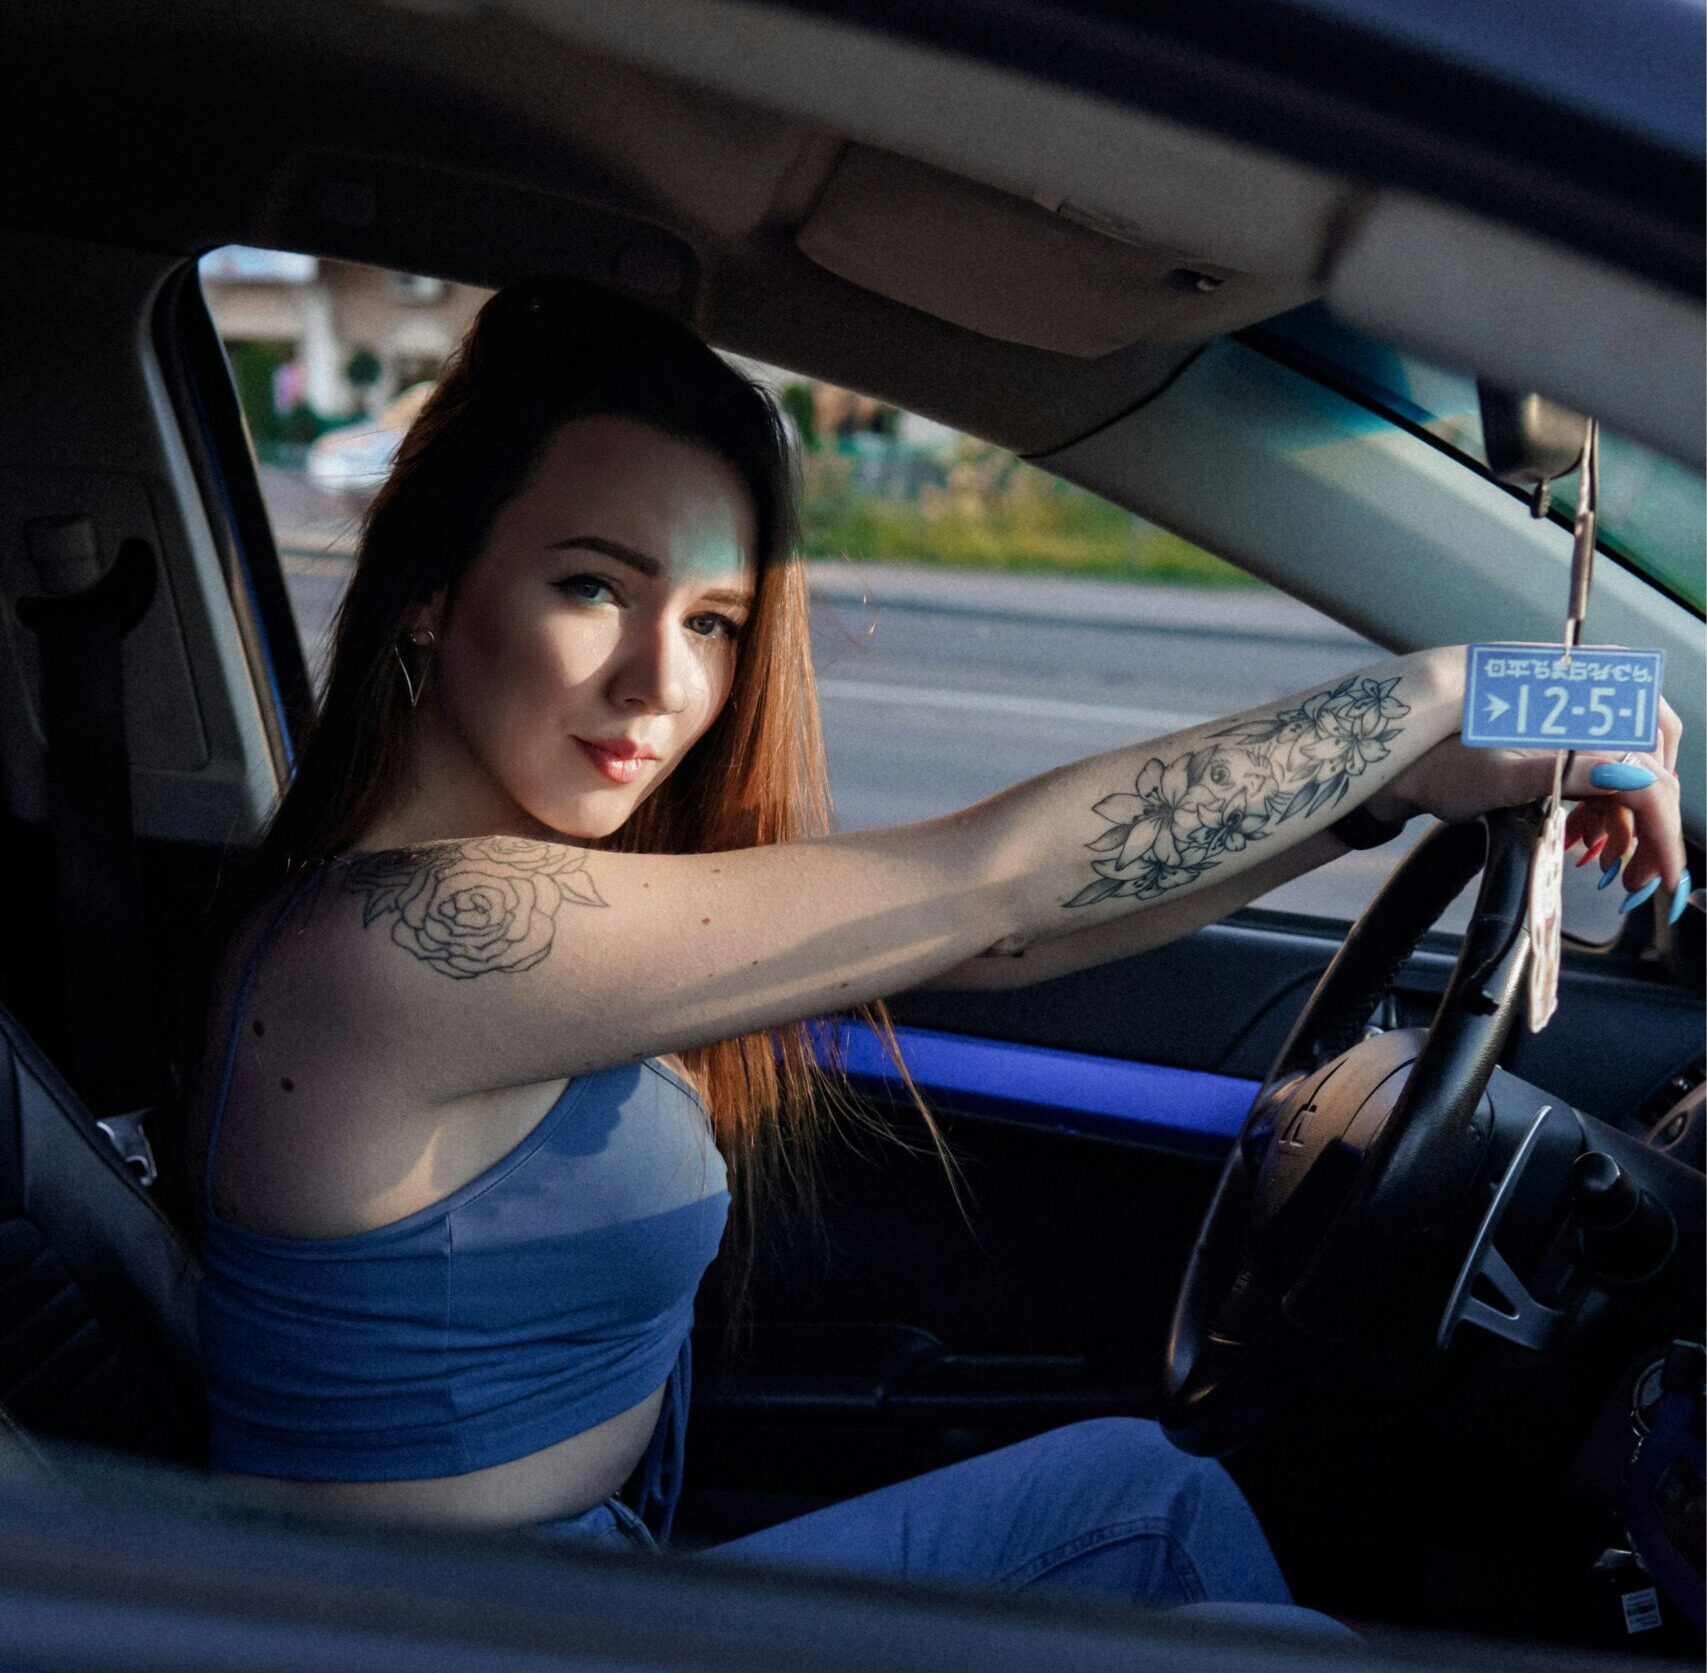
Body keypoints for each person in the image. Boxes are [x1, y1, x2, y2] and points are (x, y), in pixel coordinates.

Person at [188, 277, 1687, 1619]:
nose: (663, 679)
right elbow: (992, 891)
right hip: (451, 1642)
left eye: (713, 621)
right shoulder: (396, 946)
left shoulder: (509, 912)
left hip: (584, 1596)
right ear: (438, 593)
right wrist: (1463, 690)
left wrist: (1387, 798)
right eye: (595, 584)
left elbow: (1001, 952)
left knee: (1139, 1494)